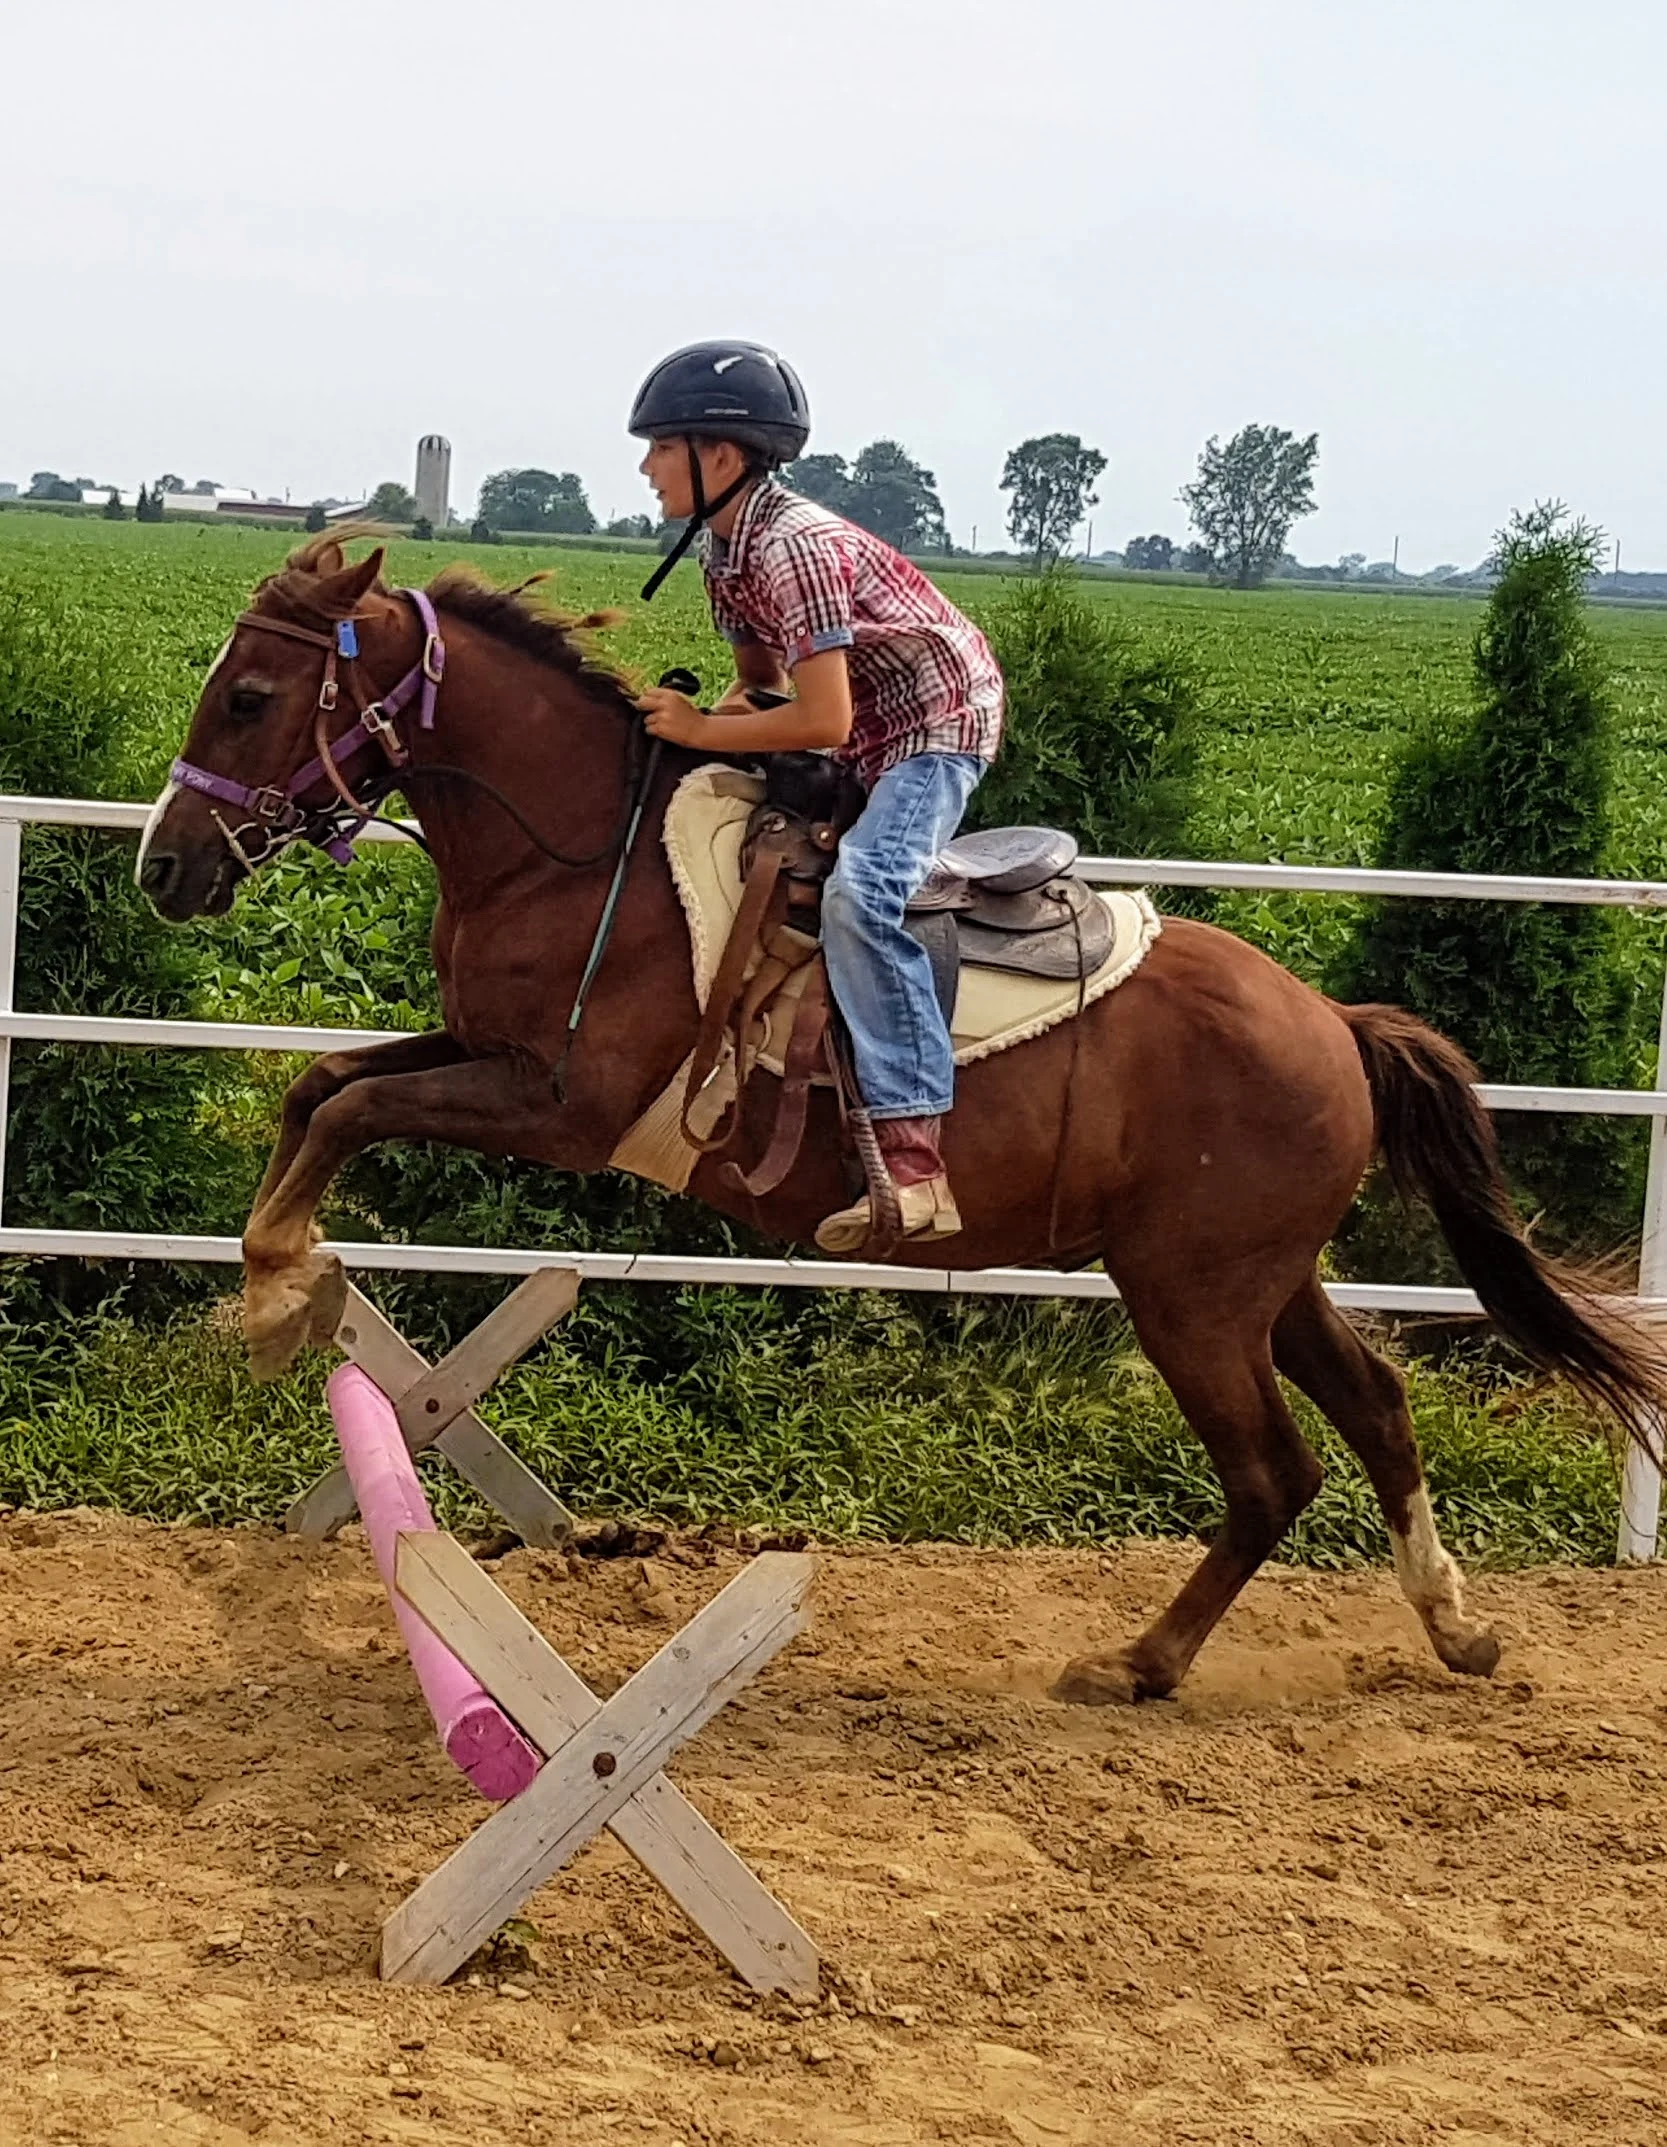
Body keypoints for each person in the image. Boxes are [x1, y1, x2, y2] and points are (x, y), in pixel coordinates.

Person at [629, 340, 1005, 1253]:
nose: (644, 468)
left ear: (718, 457)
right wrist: (696, 739)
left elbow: (823, 718)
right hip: (868, 731)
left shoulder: (794, 548)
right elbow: (757, 686)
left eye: (658, 447)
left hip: (931, 730)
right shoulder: (726, 551)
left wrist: (701, 733)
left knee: (862, 892)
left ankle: (916, 1163)